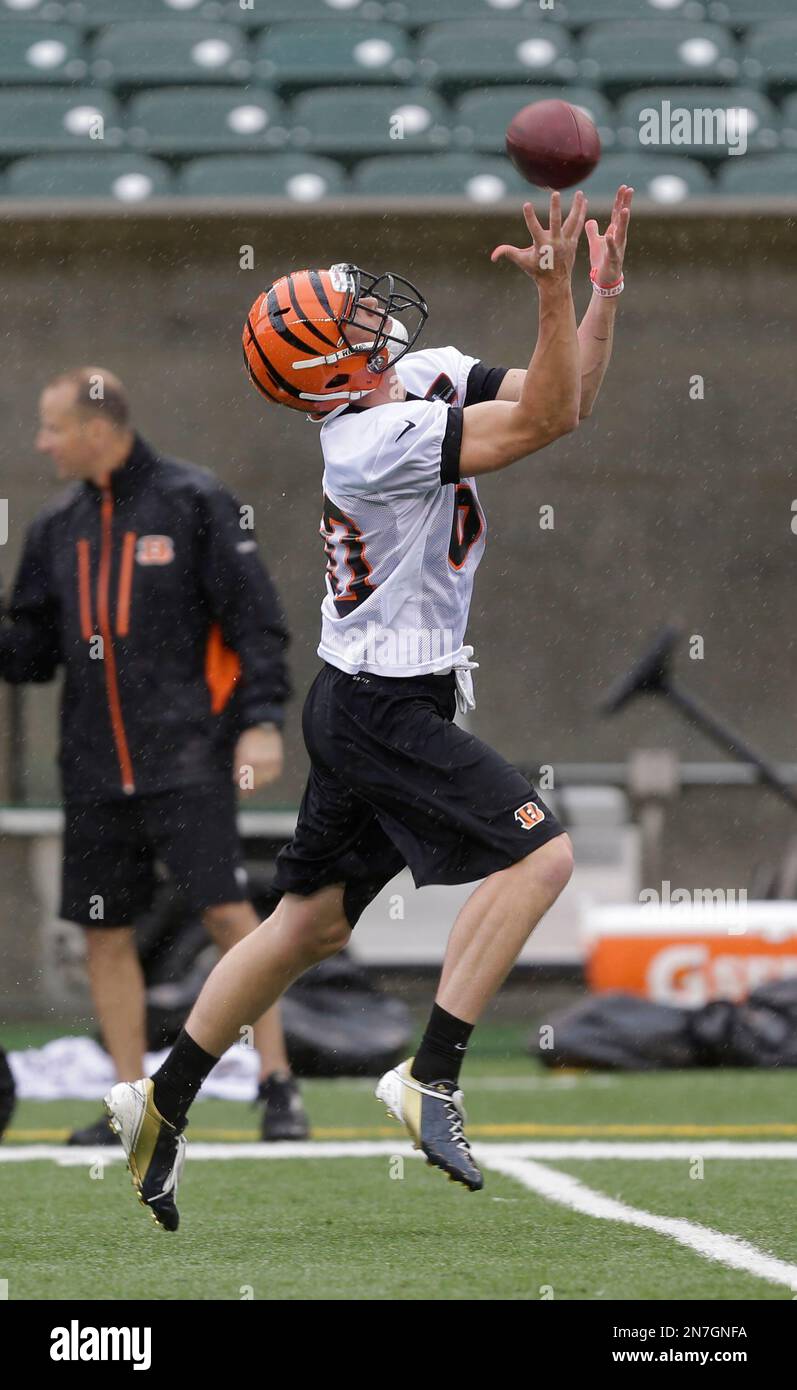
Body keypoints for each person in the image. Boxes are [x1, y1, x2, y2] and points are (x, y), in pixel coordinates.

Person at [105, 186, 632, 1229]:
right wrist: (553, 290)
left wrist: (595, 294)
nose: (373, 318)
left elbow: (562, 402)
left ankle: (157, 1100)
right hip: (383, 706)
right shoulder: (366, 441)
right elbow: (533, 422)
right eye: (349, 321)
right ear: (324, 368)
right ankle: (429, 1073)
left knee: (303, 926)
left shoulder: (411, 383)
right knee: (541, 857)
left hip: (364, 697)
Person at [0, 369, 309, 1143]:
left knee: (229, 915)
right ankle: (133, 1107)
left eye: (52, 427)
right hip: (94, 770)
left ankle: (278, 1086)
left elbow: (257, 624)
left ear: (96, 428)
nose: (41, 443)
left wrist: (261, 721)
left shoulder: (194, 500)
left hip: (188, 759)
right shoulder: (55, 527)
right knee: (106, 932)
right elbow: (30, 653)